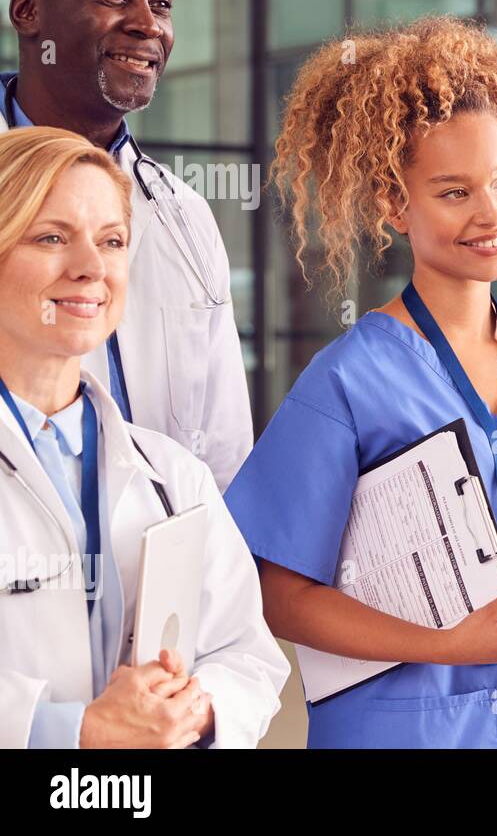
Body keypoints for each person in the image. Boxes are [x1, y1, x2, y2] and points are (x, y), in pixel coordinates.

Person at [224, 17, 497, 748]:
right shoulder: (349, 383)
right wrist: (449, 644)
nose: (493, 214)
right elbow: (274, 594)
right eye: (454, 192)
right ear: (395, 206)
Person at [0, 126, 287, 749]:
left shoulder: (170, 474)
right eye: (52, 238)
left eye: (112, 241)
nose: (90, 269)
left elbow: (248, 651)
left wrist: (193, 712)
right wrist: (73, 732)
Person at [4, 0, 251, 489]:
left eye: (161, 3)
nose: (149, 25)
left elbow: (225, 455)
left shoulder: (184, 216)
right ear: (27, 11)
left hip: (169, 565)